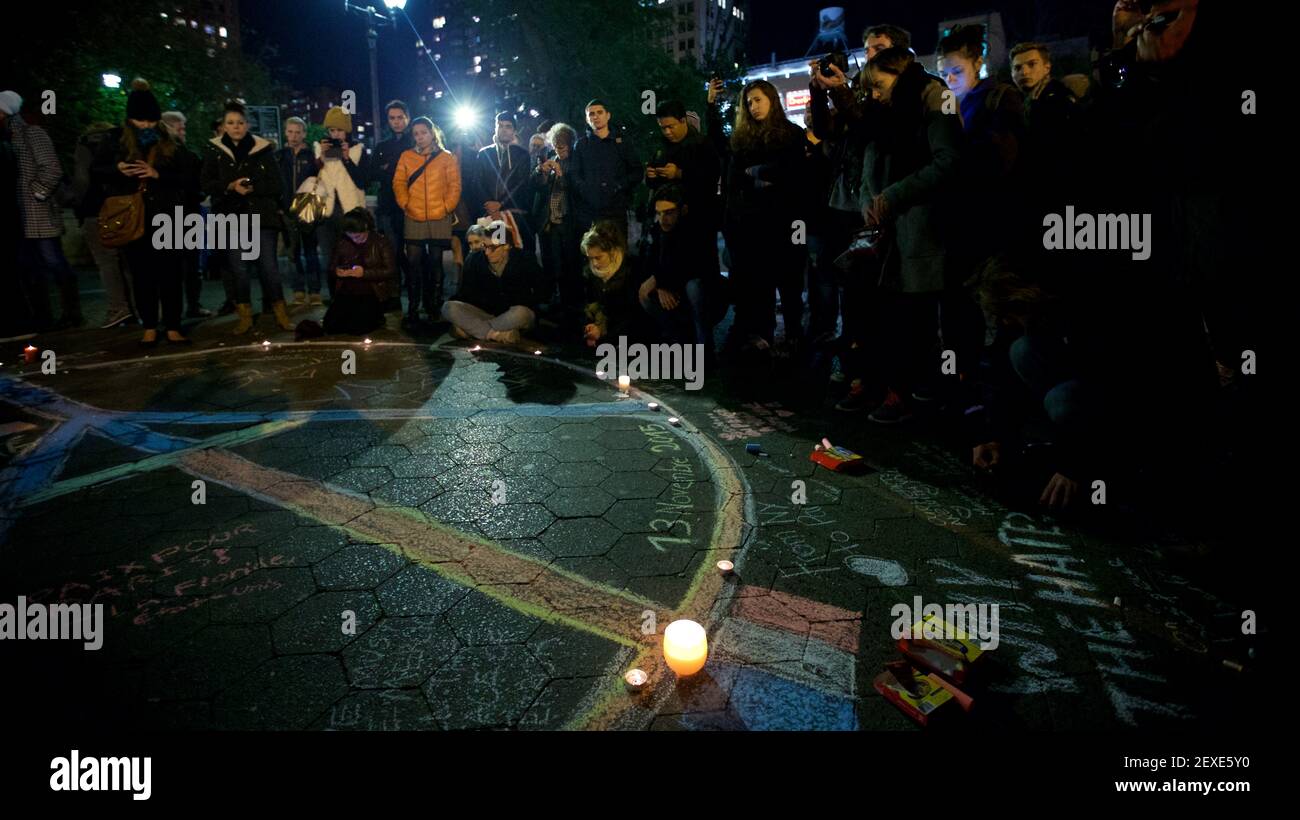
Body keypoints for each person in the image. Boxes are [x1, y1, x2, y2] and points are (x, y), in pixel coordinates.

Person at [855, 47, 963, 423]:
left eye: (879, 85)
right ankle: (899, 391)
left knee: (926, 321)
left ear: (898, 74)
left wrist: (893, 196)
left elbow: (949, 161)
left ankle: (936, 397)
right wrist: (870, 202)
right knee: (895, 318)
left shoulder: (937, 96)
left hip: (926, 229)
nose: (873, 94)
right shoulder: (885, 111)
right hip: (890, 230)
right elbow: (871, 157)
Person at [89, 79, 201, 346]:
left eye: (150, 121)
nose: (146, 127)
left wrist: (157, 173)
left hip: (168, 216)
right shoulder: (115, 140)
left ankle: (173, 325)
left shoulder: (169, 141)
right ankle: (149, 325)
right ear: (130, 120)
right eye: (141, 122)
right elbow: (95, 170)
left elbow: (190, 175)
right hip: (134, 218)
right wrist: (119, 168)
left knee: (171, 274)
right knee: (142, 276)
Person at [707, 78, 808, 354]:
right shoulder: (742, 139)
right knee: (758, 284)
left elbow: (793, 174)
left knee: (789, 283)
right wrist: (712, 107)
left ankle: (794, 336)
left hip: (785, 222)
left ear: (772, 100)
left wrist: (759, 173)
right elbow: (733, 174)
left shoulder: (791, 134)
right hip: (750, 224)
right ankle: (761, 336)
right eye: (749, 102)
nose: (753, 107)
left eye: (758, 100)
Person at [200, 98, 290, 335]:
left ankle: (281, 313)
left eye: (240, 122)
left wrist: (253, 187)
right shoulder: (214, 151)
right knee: (239, 269)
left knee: (268, 267)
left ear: (247, 124)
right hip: (231, 218)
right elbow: (206, 183)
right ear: (224, 126)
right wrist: (229, 186)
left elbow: (277, 184)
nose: (236, 126)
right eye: (230, 122)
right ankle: (245, 316)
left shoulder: (263, 150)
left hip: (261, 216)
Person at [3, 91, 83, 331]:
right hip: (21, 213)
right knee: (32, 267)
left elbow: (51, 168)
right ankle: (44, 316)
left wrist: (36, 193)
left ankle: (71, 313)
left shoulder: (31, 133)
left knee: (54, 263)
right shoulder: (14, 135)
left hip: (36, 211)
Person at [392, 116, 461, 328]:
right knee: (413, 262)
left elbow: (454, 185)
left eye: (424, 132)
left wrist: (446, 207)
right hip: (414, 215)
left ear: (432, 133)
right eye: (416, 134)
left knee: (436, 262)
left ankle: (434, 307)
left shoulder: (447, 157)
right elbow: (399, 183)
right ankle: (413, 308)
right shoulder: (406, 156)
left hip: (439, 216)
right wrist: (406, 204)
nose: (420, 137)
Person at [637, 184, 721, 354]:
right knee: (644, 290)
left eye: (668, 212)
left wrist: (660, 280)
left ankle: (703, 348)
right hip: (673, 293)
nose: (663, 219)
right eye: (659, 213)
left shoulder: (697, 232)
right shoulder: (657, 231)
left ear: (682, 210)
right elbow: (648, 264)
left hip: (705, 295)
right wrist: (659, 285)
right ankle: (675, 340)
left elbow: (694, 266)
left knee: (694, 287)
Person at [73, 120, 135, 329]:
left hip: (94, 210)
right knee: (126, 261)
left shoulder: (84, 147)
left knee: (106, 262)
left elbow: (82, 180)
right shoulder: (121, 143)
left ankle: (118, 308)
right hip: (120, 207)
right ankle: (136, 308)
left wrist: (78, 205)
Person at [442, 219, 543, 344]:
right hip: (486, 313)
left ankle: (473, 330)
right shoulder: (475, 259)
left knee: (520, 313)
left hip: (513, 314)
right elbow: (466, 294)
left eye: (492, 248)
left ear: (506, 246)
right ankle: (496, 334)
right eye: (485, 246)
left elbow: (541, 291)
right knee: (448, 307)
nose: (487, 252)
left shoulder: (524, 259)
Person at [313, 106, 369, 300]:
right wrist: (320, 159)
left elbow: (364, 181)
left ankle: (354, 297)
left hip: (350, 214)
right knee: (329, 259)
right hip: (326, 213)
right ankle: (335, 297)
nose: (335, 134)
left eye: (339, 130)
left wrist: (346, 159)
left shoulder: (357, 150)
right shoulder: (320, 150)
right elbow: (311, 179)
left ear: (347, 130)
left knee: (353, 257)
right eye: (331, 130)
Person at [160, 110, 211, 320]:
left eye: (183, 128)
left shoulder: (184, 154)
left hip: (184, 212)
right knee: (178, 266)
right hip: (176, 213)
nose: (183, 132)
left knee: (190, 265)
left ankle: (188, 305)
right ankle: (179, 307)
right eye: (179, 128)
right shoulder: (172, 155)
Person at [569, 100, 642, 240]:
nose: (595, 117)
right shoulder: (581, 145)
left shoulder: (622, 143)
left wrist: (619, 186)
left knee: (617, 253)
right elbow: (574, 174)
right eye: (591, 114)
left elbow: (637, 171)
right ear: (587, 118)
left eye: (599, 112)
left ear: (608, 115)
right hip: (590, 213)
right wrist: (586, 190)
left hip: (616, 211)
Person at [530, 122, 583, 315]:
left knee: (570, 265)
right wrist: (542, 171)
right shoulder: (551, 159)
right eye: (555, 145)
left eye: (562, 146)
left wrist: (561, 176)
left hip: (569, 223)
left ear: (570, 144)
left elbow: (577, 190)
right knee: (552, 265)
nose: (558, 149)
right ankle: (555, 301)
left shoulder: (576, 162)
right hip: (549, 222)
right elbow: (536, 186)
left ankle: (570, 304)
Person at [645, 99, 721, 234]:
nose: (667, 132)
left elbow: (711, 179)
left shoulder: (702, 145)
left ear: (683, 120)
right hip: (666, 223)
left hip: (697, 221)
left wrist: (680, 173)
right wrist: (650, 176)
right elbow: (652, 184)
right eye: (663, 128)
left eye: (671, 126)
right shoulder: (660, 147)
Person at [323, 207, 397, 336]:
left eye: (358, 236)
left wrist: (364, 273)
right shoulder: (343, 243)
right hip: (347, 289)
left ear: (366, 228)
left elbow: (390, 270)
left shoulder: (380, 242)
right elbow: (331, 267)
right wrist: (338, 272)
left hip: (372, 290)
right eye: (351, 237)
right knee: (331, 325)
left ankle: (377, 317)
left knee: (358, 327)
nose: (355, 240)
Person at [467, 112, 532, 249]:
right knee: (495, 252)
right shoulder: (484, 153)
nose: (503, 129)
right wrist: (490, 205)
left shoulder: (522, 154)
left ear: (514, 130)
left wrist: (500, 204)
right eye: (500, 125)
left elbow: (521, 184)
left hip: (514, 213)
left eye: (508, 126)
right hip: (490, 213)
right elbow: (477, 182)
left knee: (515, 251)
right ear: (495, 128)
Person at [371, 100, 413, 307]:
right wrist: (389, 169)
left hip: (411, 205)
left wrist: (389, 168)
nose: (396, 122)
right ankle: (395, 294)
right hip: (388, 205)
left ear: (408, 117)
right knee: (392, 250)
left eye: (400, 117)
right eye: (392, 118)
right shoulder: (382, 145)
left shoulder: (415, 142)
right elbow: (372, 173)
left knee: (413, 251)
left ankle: (416, 290)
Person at [277, 116, 321, 306]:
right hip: (286, 209)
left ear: (304, 134)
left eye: (298, 132)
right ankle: (297, 290)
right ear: (286, 132)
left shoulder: (311, 156)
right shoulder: (279, 156)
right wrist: (279, 206)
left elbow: (321, 182)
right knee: (293, 252)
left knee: (311, 251)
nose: (294, 136)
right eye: (290, 131)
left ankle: (314, 290)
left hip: (308, 207)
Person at [580, 220, 646, 347]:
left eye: (598, 257)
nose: (594, 263)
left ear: (612, 252)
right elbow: (588, 304)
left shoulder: (632, 271)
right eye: (590, 258)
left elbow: (633, 317)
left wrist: (603, 337)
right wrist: (590, 326)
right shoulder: (590, 274)